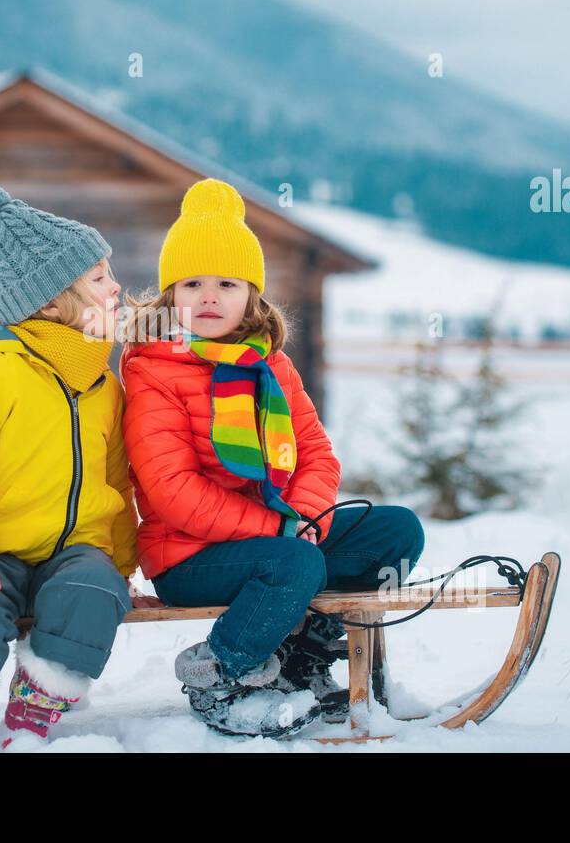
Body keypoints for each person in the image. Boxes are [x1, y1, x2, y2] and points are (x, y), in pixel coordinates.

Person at [120, 177, 425, 737]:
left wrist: (304, 519)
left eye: (226, 283)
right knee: (295, 563)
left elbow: (316, 456)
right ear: (169, 296)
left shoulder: (271, 367)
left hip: (282, 537)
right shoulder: (152, 371)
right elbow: (173, 491)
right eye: (191, 283)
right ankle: (219, 674)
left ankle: (300, 657)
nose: (209, 297)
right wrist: (281, 528)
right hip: (190, 557)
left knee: (396, 532)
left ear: (251, 294)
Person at [0, 182, 139, 752]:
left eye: (109, 272)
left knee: (95, 588)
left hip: (78, 551)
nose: (115, 287)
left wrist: (123, 564)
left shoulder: (101, 383)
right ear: (47, 303)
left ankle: (36, 707)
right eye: (97, 278)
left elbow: (117, 484)